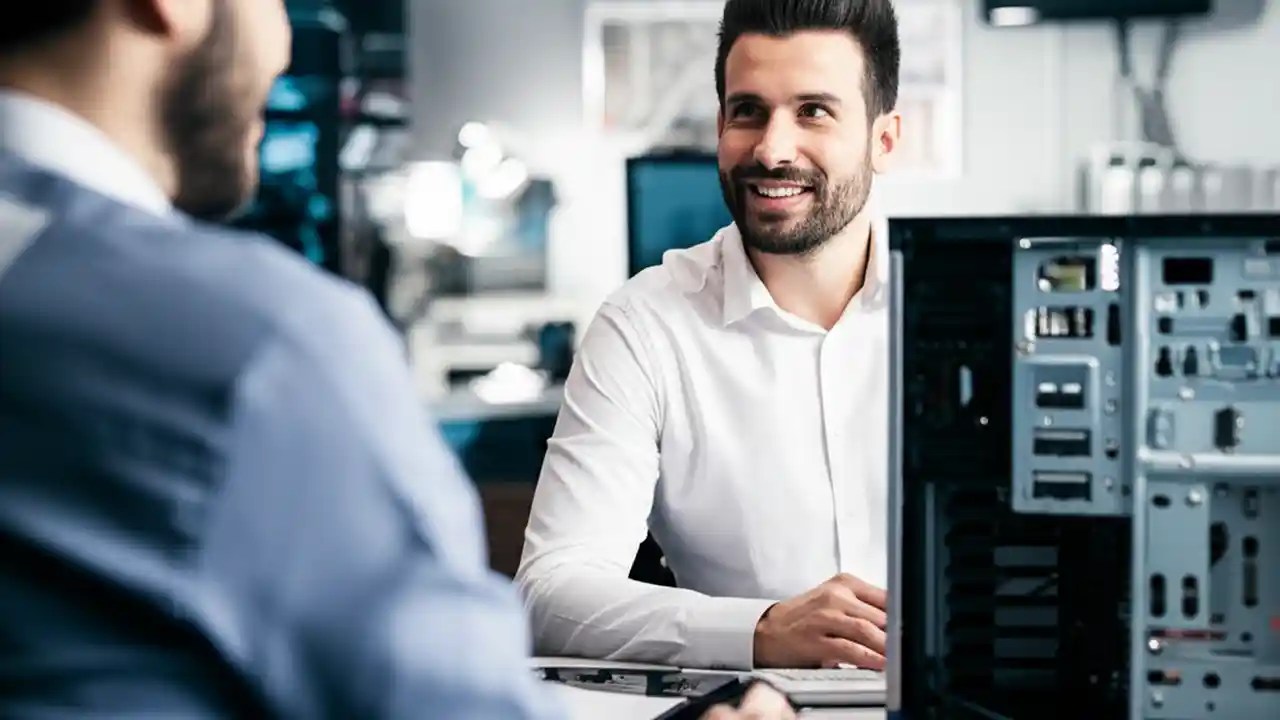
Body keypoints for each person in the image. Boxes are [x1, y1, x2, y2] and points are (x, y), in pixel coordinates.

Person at [517, 0, 903, 672]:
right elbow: (549, 593)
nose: (772, 149)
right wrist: (762, 629)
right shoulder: (646, 325)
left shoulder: (985, 309)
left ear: (884, 140)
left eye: (814, 111)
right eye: (748, 111)